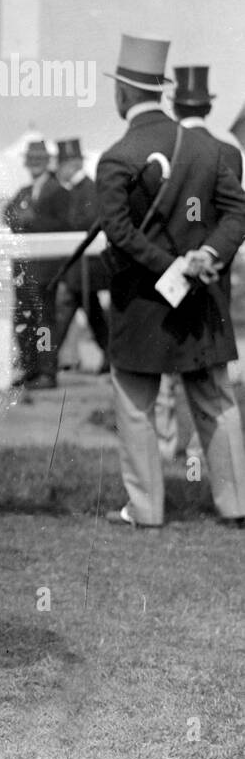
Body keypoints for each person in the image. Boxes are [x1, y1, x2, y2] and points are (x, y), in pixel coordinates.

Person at [96, 35, 245, 528]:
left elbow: (117, 233)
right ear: (160, 91)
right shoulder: (207, 148)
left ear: (122, 94)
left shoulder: (117, 156)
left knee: (137, 406)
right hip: (201, 300)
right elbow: (237, 212)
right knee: (215, 402)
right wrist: (205, 255)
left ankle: (146, 510)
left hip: (141, 304)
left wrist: (166, 265)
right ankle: (237, 505)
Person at [155, 67, 244, 463]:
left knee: (159, 375)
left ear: (174, 106)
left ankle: (164, 449)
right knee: (213, 384)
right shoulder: (228, 152)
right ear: (208, 107)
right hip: (212, 278)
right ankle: (225, 470)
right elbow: (231, 217)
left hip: (164, 274)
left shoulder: (164, 149)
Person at [3, 138, 71, 389]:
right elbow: (7, 214)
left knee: (44, 321)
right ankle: (29, 368)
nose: (34, 165)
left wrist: (31, 221)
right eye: (31, 160)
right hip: (23, 270)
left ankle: (46, 371)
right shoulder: (23, 192)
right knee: (24, 320)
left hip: (45, 270)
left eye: (38, 160)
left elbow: (64, 225)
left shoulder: (58, 192)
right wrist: (21, 218)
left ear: (46, 162)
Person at [49, 138, 110, 373]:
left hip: (84, 267)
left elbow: (84, 223)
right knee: (93, 314)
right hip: (80, 268)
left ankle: (47, 362)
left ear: (72, 164)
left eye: (62, 164)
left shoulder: (88, 190)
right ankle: (110, 357)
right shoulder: (77, 190)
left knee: (65, 313)